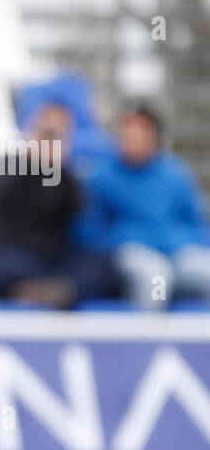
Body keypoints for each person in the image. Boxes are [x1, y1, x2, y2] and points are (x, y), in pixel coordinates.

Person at [0, 102, 118, 308]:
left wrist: (58, 169)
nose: (51, 140)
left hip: (51, 260)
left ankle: (46, 291)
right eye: (46, 132)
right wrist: (35, 160)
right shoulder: (9, 163)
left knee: (106, 264)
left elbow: (78, 211)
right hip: (9, 250)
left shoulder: (66, 175)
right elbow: (3, 198)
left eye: (58, 135)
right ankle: (47, 290)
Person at [74, 104, 210, 310]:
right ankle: (154, 340)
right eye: (127, 130)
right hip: (133, 254)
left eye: (141, 130)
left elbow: (196, 223)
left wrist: (179, 241)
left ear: (155, 136)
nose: (132, 136)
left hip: (177, 253)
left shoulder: (176, 173)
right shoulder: (100, 176)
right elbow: (89, 230)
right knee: (157, 279)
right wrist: (122, 240)